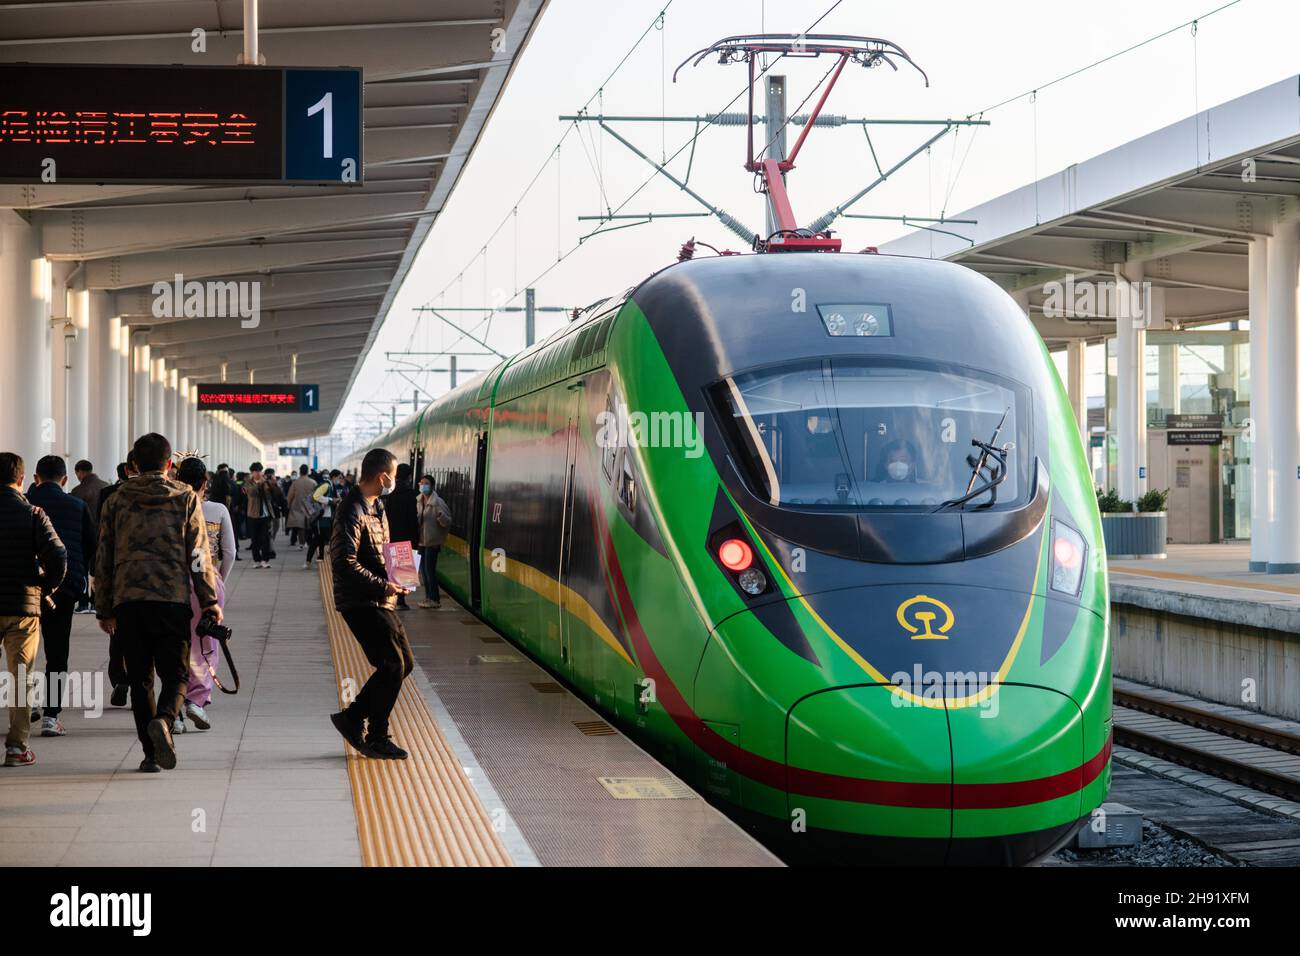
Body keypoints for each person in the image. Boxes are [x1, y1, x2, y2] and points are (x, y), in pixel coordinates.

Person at [96, 433, 220, 773]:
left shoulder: (116, 500)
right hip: (171, 599)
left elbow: (103, 556)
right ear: (169, 465)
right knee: (177, 675)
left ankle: (150, 754)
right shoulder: (185, 497)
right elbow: (198, 554)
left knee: (140, 680)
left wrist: (103, 608)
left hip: (128, 600)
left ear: (133, 465)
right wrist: (209, 600)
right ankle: (165, 720)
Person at [328, 448, 412, 760]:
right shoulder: (351, 509)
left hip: (382, 598)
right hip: (361, 600)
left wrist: (401, 577)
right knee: (392, 665)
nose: (395, 480)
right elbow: (343, 562)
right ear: (382, 476)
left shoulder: (377, 506)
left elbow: (386, 548)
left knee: (405, 664)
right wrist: (384, 584)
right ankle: (376, 734)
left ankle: (352, 718)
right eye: (393, 474)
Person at [0, 453, 67, 767]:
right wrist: (46, 587)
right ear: (23, 480)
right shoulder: (33, 513)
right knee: (21, 678)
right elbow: (58, 554)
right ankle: (16, 747)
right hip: (23, 607)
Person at [28, 456, 95, 737]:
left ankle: (25, 704)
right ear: (65, 479)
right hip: (63, 589)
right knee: (57, 653)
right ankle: (51, 716)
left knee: (21, 652)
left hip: (24, 589)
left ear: (35, 478)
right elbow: (91, 546)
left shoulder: (23, 505)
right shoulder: (77, 505)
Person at [173, 457, 235, 735]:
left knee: (174, 643)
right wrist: (219, 577)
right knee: (205, 641)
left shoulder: (171, 506)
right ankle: (196, 700)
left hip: (172, 582)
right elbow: (230, 551)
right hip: (207, 582)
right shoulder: (217, 509)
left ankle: (172, 709)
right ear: (205, 483)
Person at [97, 455, 136, 706]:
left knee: (118, 636)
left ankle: (120, 678)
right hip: (161, 586)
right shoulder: (177, 496)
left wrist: (102, 606)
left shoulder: (110, 496)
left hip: (120, 580)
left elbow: (104, 543)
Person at [68, 460, 109, 614]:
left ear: (79, 472)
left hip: (83, 537)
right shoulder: (105, 487)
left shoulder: (77, 491)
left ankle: (83, 603)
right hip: (103, 535)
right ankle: (97, 602)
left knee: (83, 570)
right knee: (99, 570)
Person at [385, 463, 419, 611]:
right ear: (409, 477)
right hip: (408, 536)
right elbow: (414, 518)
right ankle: (401, 600)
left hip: (392, 535)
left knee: (393, 568)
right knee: (405, 571)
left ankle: (393, 599)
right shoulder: (413, 495)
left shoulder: (390, 495)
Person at [416, 475, 451, 610]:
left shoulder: (438, 502)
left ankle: (435, 599)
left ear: (432, 486)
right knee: (424, 571)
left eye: (426, 483)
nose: (423, 486)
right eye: (422, 483)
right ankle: (428, 598)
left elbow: (448, 521)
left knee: (429, 571)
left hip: (432, 541)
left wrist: (441, 518)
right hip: (422, 541)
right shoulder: (419, 500)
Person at [243, 463, 279, 569]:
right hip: (253, 515)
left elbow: (275, 494)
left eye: (259, 471)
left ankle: (265, 560)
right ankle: (257, 560)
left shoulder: (266, 482)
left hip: (266, 515)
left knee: (266, 538)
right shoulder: (248, 483)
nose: (258, 473)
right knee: (255, 539)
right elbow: (252, 493)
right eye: (256, 471)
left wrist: (272, 482)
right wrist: (260, 484)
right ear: (252, 472)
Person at [305, 470, 340, 569]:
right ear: (334, 477)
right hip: (321, 517)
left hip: (326, 516)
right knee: (322, 539)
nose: (339, 480)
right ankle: (309, 561)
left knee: (320, 539)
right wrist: (330, 500)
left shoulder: (331, 486)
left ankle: (316, 558)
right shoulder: (327, 486)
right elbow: (316, 496)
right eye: (339, 478)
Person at [286, 464, 316, 549]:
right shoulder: (313, 482)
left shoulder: (295, 483)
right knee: (309, 525)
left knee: (300, 526)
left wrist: (288, 504)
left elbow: (290, 495)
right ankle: (309, 542)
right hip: (309, 506)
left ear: (300, 471)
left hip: (297, 506)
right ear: (307, 471)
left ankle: (302, 543)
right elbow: (316, 495)